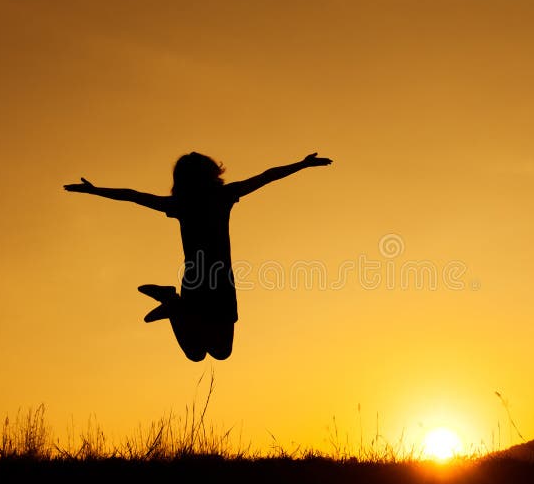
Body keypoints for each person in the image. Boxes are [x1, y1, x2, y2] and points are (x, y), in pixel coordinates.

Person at [64, 151, 333, 361]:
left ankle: (173, 302)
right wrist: (302, 164)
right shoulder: (223, 195)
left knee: (206, 352)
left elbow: (134, 196)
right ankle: (170, 300)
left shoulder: (182, 203)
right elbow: (267, 176)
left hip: (199, 280)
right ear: (212, 173)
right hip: (218, 281)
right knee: (214, 351)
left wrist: (95, 190)